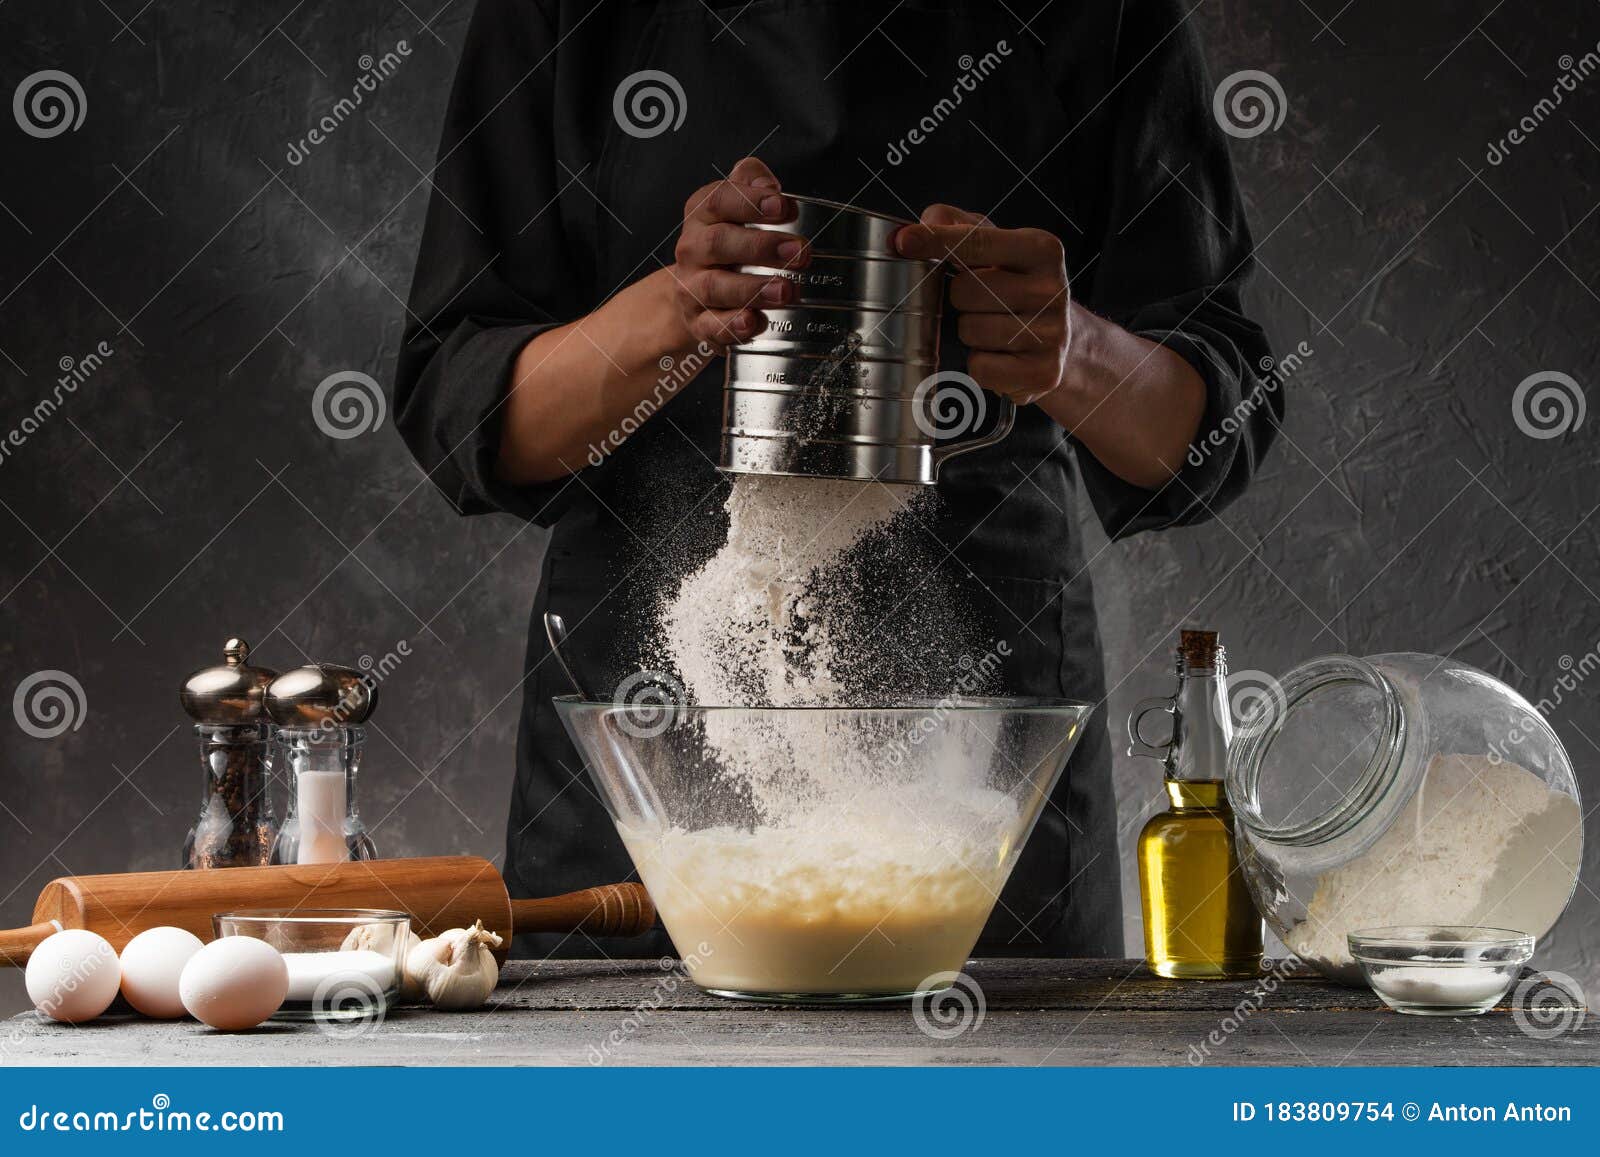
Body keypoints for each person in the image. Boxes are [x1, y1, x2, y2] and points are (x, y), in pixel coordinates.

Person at [396, 0, 1279, 960]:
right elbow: (460, 408)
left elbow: (1211, 436)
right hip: (644, 758)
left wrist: (1075, 352)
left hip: (978, 774)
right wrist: (669, 314)